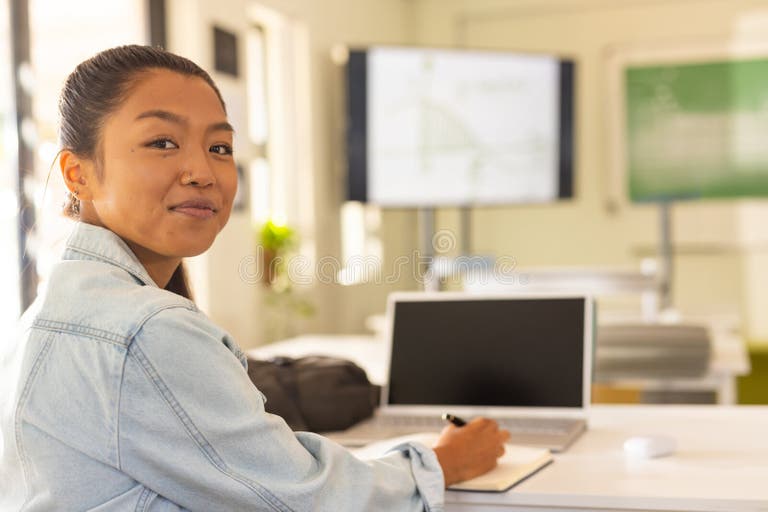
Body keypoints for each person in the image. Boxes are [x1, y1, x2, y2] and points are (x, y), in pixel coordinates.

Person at [0, 45, 509, 511]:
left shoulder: (57, 310)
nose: (201, 170)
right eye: (162, 142)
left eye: (219, 147)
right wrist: (441, 464)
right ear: (77, 174)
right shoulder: (143, 329)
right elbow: (303, 500)